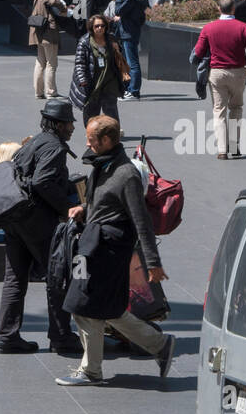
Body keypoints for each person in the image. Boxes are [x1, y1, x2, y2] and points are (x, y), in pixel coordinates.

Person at [58, 115, 174, 386]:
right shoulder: (101, 164)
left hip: (109, 252)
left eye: (91, 138)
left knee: (82, 303)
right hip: (93, 245)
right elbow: (101, 202)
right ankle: (159, 345)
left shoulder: (126, 174)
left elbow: (141, 219)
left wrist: (153, 264)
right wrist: (84, 210)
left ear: (107, 140)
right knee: (107, 308)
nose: (86, 142)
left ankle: (91, 371)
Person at [0, 100, 80, 356]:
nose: (72, 127)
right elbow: (43, 181)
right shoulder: (54, 147)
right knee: (57, 275)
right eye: (68, 123)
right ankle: (61, 336)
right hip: (36, 222)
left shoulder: (35, 142)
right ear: (57, 124)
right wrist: (67, 208)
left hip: (15, 217)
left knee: (14, 278)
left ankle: (7, 336)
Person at [191, 0, 246, 160]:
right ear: (233, 9)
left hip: (216, 73)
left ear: (218, 9)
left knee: (219, 110)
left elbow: (199, 52)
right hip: (238, 72)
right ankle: (235, 146)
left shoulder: (209, 28)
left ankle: (222, 150)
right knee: (236, 108)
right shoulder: (244, 28)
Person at [70, 14, 128, 128]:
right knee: (91, 112)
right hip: (92, 82)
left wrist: (117, 48)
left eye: (102, 26)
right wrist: (83, 80)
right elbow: (79, 63)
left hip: (109, 81)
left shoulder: (110, 39)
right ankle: (91, 134)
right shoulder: (84, 42)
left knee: (111, 111)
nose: (100, 28)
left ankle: (113, 133)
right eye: (96, 26)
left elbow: (117, 58)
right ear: (91, 27)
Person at [29, 0, 67, 99]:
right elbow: (52, 1)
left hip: (39, 33)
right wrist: (63, 7)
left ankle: (38, 92)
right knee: (52, 63)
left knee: (40, 62)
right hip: (48, 33)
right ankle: (51, 92)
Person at [113, 0, 147, 100]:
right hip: (130, 31)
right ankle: (130, 90)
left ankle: (134, 91)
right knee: (129, 62)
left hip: (129, 32)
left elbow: (118, 11)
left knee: (132, 63)